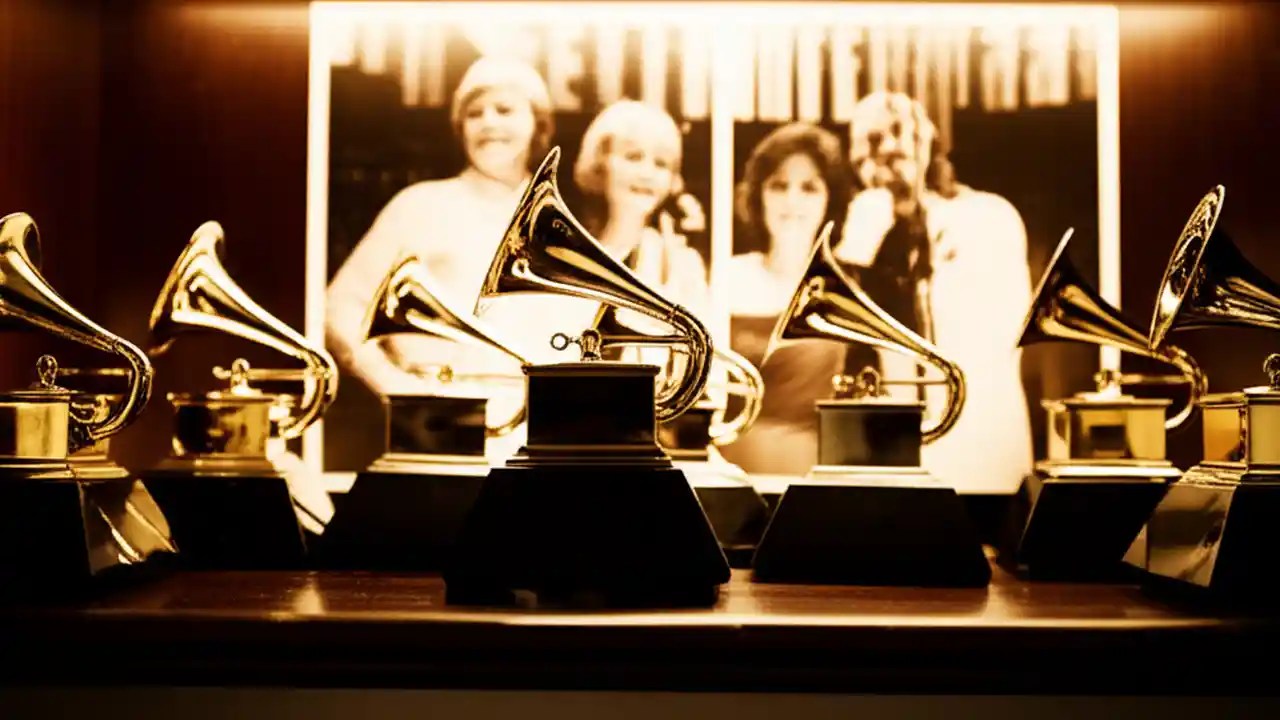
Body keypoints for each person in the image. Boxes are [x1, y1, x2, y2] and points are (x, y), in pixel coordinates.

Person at [325, 55, 574, 461]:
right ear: (460, 130)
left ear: (539, 124)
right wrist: (397, 389)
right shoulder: (419, 203)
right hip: (436, 424)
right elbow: (340, 308)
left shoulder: (559, 222)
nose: (489, 122)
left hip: (538, 436)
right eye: (474, 114)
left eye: (505, 109)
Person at [832, 91, 1034, 495]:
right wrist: (857, 254)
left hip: (982, 443)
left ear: (927, 146)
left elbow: (992, 336)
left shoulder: (988, 216)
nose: (878, 170)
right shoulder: (867, 235)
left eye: (892, 153)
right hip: (901, 448)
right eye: (864, 161)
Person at [720, 122, 854, 476]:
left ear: (830, 199)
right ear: (758, 195)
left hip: (811, 489)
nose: (792, 200)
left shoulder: (844, 289)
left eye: (808, 188)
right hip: (732, 485)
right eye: (779, 186)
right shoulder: (727, 276)